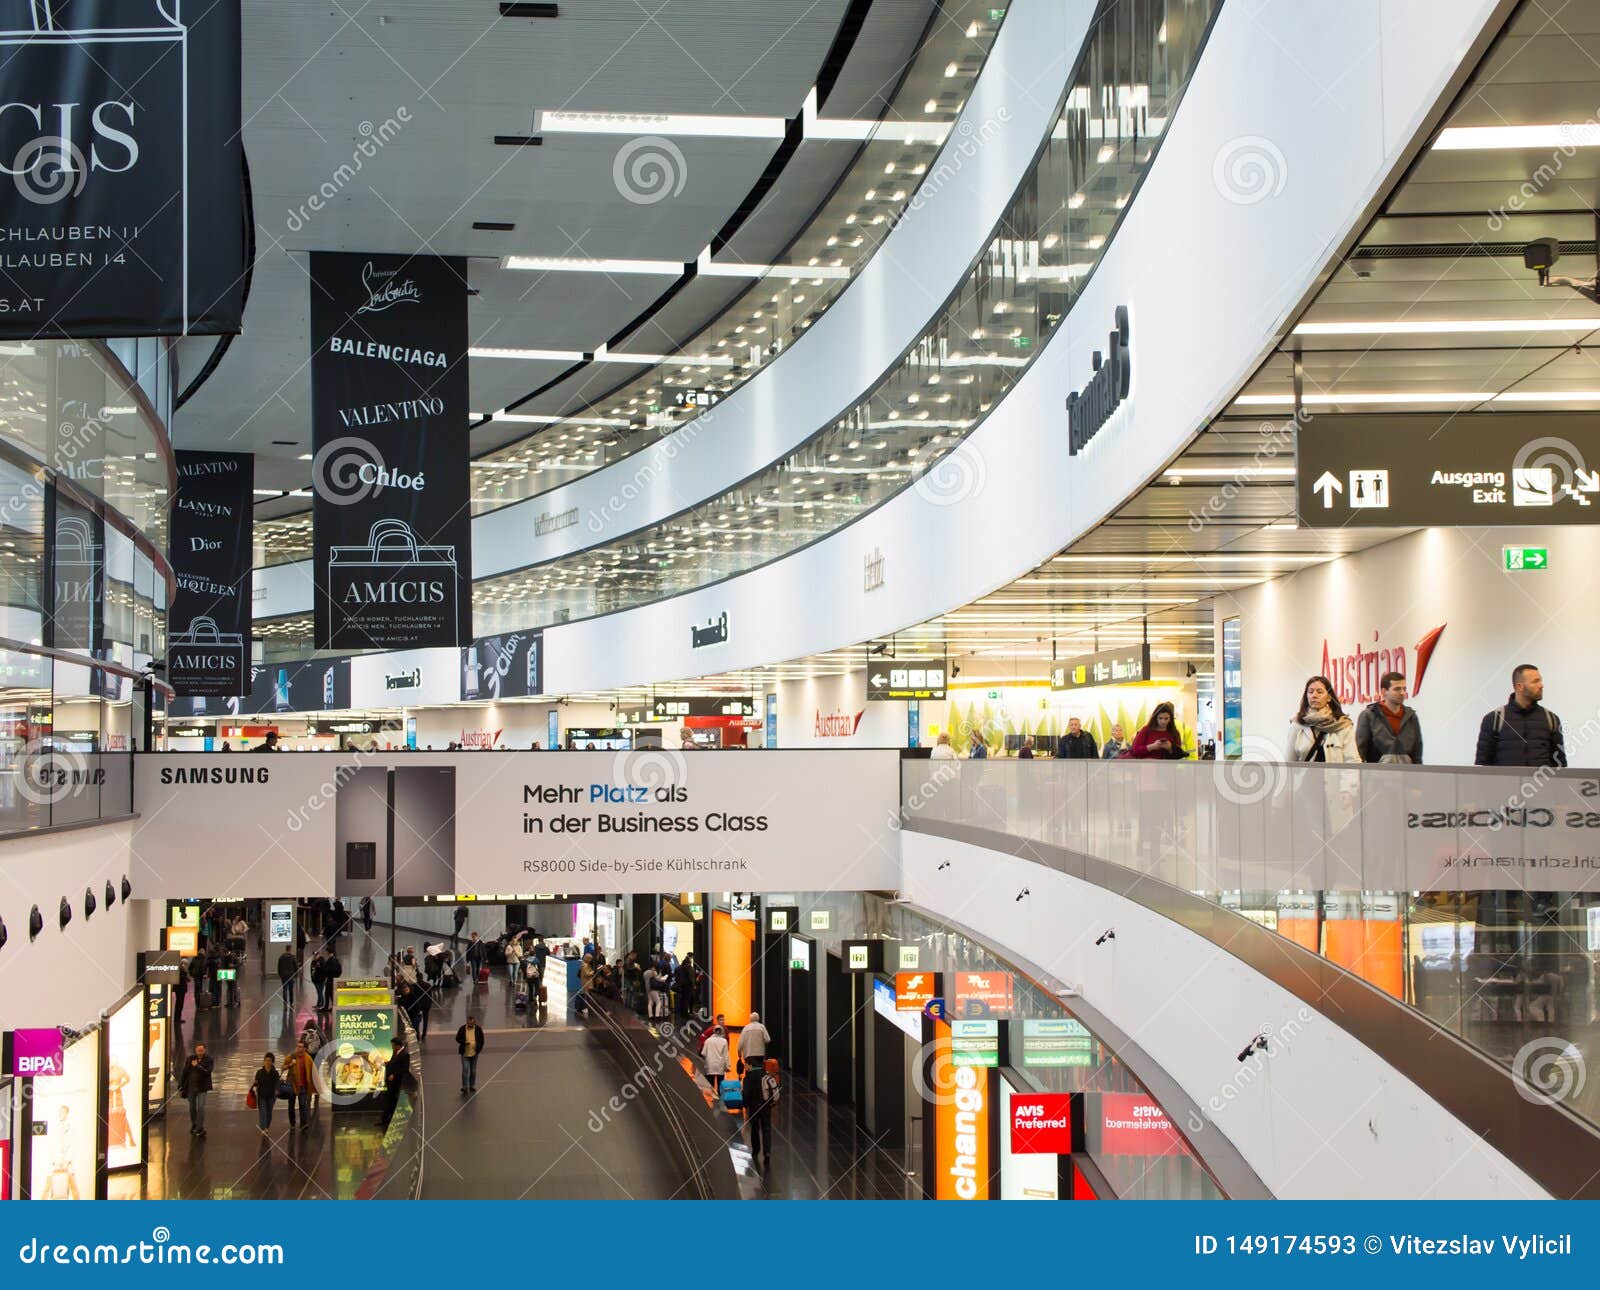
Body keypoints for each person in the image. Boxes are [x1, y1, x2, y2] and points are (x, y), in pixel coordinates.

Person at [1476, 664, 1566, 768]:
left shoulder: (1551, 719)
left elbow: (1560, 765)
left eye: (1540, 681)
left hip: (1541, 779)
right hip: (1505, 780)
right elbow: (1483, 767)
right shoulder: (1494, 719)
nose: (1541, 685)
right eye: (1535, 681)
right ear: (1520, 686)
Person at [1355, 671, 1424, 764]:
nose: (1402, 693)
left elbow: (1417, 753)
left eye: (1404, 689)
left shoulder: (1411, 717)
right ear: (1384, 692)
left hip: (1407, 772)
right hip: (1376, 772)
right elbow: (1359, 752)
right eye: (1397, 689)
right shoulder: (1369, 716)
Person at [1289, 676, 1358, 763]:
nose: (1314, 695)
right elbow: (1289, 762)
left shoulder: (1342, 724)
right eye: (1310, 692)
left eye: (1319, 692)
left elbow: (1352, 761)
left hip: (1334, 772)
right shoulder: (1297, 724)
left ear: (1329, 697)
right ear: (1306, 696)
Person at [178, 1042, 213, 1137]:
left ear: (205, 1050)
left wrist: (197, 1066)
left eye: (201, 1050)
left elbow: (208, 1072)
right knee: (192, 1108)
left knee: (201, 1107)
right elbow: (185, 1072)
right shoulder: (190, 1059)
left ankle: (199, 1128)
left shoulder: (209, 1059)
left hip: (202, 1088)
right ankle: (194, 1124)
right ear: (195, 1050)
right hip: (191, 1088)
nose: (200, 1052)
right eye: (198, 1051)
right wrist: (180, 1085)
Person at [742, 1059, 772, 1163]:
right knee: (766, 1129)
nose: (745, 1067)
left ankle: (756, 1150)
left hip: (754, 1107)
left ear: (750, 1065)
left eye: (746, 1065)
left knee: (755, 1128)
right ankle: (767, 1152)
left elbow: (746, 1094)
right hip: (766, 1107)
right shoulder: (766, 1075)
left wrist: (745, 1105)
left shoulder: (748, 1078)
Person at [379, 1034, 409, 1128]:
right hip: (390, 1080)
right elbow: (393, 1062)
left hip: (396, 1081)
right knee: (390, 1099)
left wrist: (394, 1074)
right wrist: (386, 1063)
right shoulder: (395, 1051)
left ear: (398, 1045)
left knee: (391, 1099)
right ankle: (388, 1118)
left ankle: (387, 1119)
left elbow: (404, 1069)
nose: (392, 1047)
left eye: (393, 1045)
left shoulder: (404, 1054)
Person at [286, 1041, 314, 1131]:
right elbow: (283, 1067)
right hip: (292, 1085)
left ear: (305, 1049)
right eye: (298, 1046)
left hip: (303, 1086)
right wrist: (291, 1064)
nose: (298, 1048)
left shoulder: (308, 1058)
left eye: (301, 1047)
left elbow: (313, 1072)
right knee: (291, 1105)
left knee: (303, 1105)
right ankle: (292, 1123)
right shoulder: (291, 1056)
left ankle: (303, 1123)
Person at [456, 1014, 485, 1093]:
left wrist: (478, 1049)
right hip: (465, 1053)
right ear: (467, 1022)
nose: (470, 1025)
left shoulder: (478, 1029)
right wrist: (464, 1042)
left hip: (474, 1053)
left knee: (473, 1070)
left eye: (472, 1024)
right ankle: (465, 1087)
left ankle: (472, 1086)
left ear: (474, 1023)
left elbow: (482, 1040)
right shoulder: (462, 1029)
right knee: (465, 1070)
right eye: (469, 1023)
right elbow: (457, 1038)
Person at [253, 1053, 279, 1135]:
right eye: (266, 1060)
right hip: (262, 1095)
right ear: (264, 1061)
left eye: (269, 1061)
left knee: (269, 1112)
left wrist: (276, 1090)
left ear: (272, 1062)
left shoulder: (275, 1073)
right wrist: (255, 1085)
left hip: (271, 1096)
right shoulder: (259, 1072)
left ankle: (267, 1126)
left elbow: (277, 1083)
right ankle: (263, 1127)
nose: (267, 1062)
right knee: (263, 1112)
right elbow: (256, 1083)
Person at [276, 945, 298, 1010]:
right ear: (290, 949)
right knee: (291, 989)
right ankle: (291, 1002)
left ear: (286, 949)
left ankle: (285, 1002)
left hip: (284, 976)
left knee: (285, 989)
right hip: (291, 975)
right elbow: (296, 967)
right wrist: (296, 975)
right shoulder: (293, 957)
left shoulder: (281, 957)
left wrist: (280, 975)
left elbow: (279, 967)